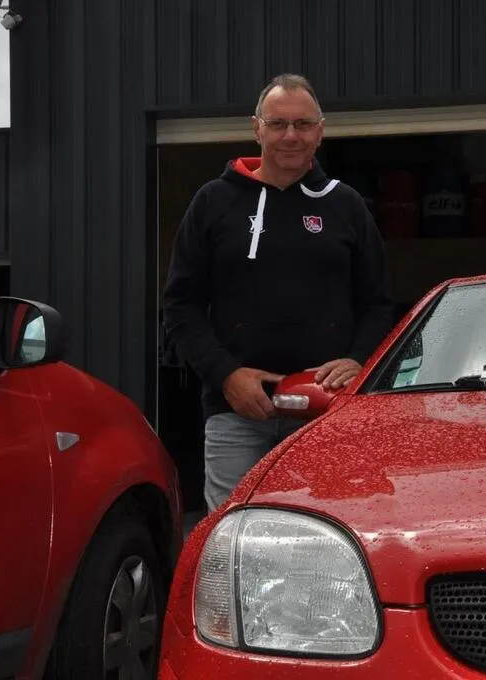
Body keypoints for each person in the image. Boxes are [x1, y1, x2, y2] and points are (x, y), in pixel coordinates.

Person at [162, 73, 394, 511]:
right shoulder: (213, 203)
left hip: (327, 415)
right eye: (278, 124)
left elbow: (379, 303)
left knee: (331, 534)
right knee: (234, 537)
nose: (291, 135)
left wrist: (358, 360)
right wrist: (227, 375)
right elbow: (180, 304)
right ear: (257, 128)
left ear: (320, 132)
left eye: (303, 125)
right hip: (237, 416)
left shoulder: (346, 206)